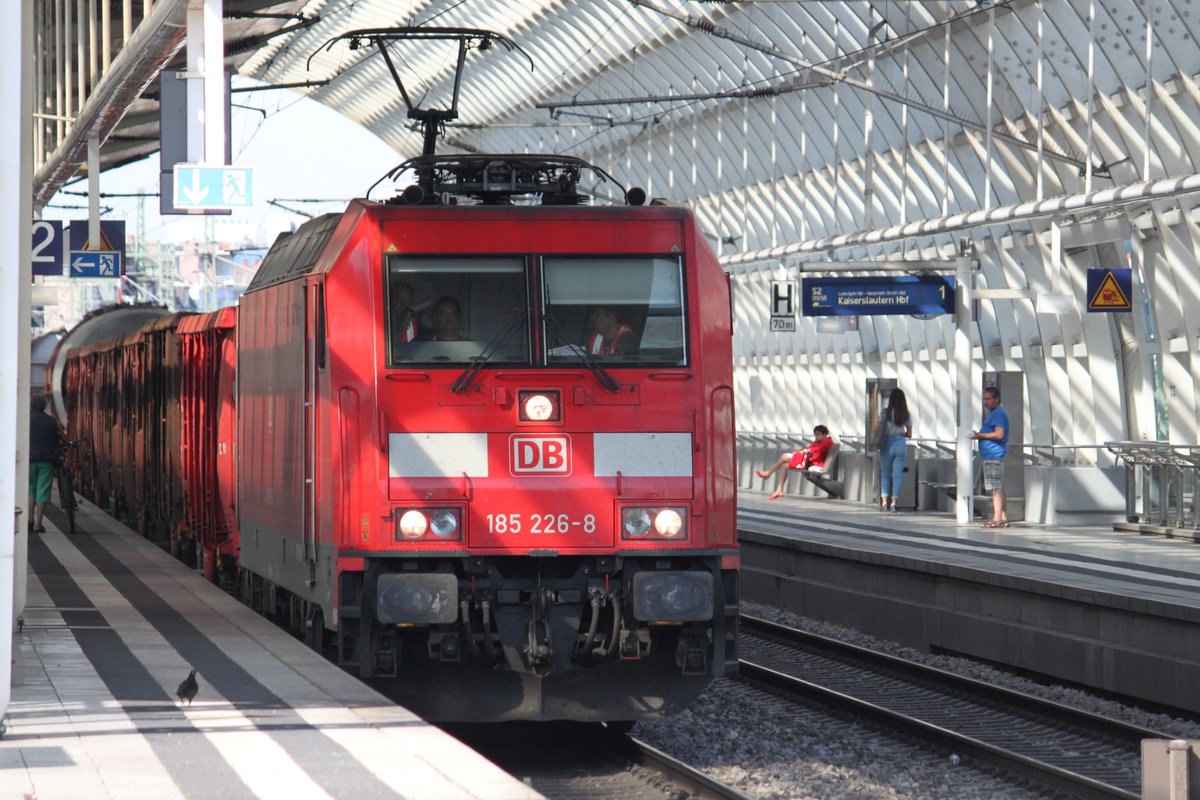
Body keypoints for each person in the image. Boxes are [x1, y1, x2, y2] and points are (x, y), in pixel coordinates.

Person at [755, 425, 833, 500]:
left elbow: (816, 450)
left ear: (825, 434)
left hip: (813, 463)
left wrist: (805, 451)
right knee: (784, 465)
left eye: (818, 434)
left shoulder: (827, 442)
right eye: (815, 434)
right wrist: (804, 451)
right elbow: (809, 449)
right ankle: (779, 490)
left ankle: (768, 473)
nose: (816, 436)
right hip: (808, 461)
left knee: (784, 456)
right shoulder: (818, 441)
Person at [971, 385, 1010, 527]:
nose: (985, 402)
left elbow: (1000, 434)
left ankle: (997, 518)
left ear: (996, 399)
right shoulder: (996, 413)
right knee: (999, 486)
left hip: (993, 454)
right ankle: (1003, 516)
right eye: (984, 399)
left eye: (988, 399)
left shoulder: (998, 414)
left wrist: (979, 435)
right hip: (993, 454)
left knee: (995, 488)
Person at [28, 393, 63, 534]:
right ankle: (38, 525)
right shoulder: (51, 421)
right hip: (47, 461)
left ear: (31, 405)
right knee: (42, 491)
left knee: (30, 489)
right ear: (44, 405)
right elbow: (59, 438)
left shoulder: (26, 420)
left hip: (29, 460)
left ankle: (29, 520)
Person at [876, 387, 913, 512]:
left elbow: (876, 427)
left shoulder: (885, 413)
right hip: (900, 445)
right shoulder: (906, 414)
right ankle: (894, 503)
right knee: (897, 476)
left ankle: (884, 503)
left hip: (887, 445)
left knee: (885, 475)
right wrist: (901, 433)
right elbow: (909, 434)